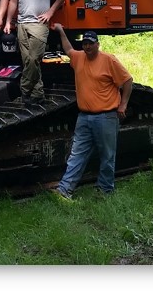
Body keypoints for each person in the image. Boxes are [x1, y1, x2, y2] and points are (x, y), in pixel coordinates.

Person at [51, 23, 134, 198]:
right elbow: (67, 49)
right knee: (77, 153)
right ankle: (64, 190)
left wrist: (123, 104)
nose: (87, 46)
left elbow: (127, 80)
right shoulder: (78, 57)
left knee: (107, 155)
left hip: (106, 116)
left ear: (97, 44)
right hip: (84, 117)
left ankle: (105, 190)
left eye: (91, 43)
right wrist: (60, 30)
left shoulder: (108, 60)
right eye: (85, 43)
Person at [3, 0, 68, 105]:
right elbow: (13, 0)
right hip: (21, 25)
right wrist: (7, 21)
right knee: (28, 62)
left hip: (39, 24)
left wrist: (50, 12)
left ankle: (24, 90)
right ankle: (38, 95)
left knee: (33, 59)